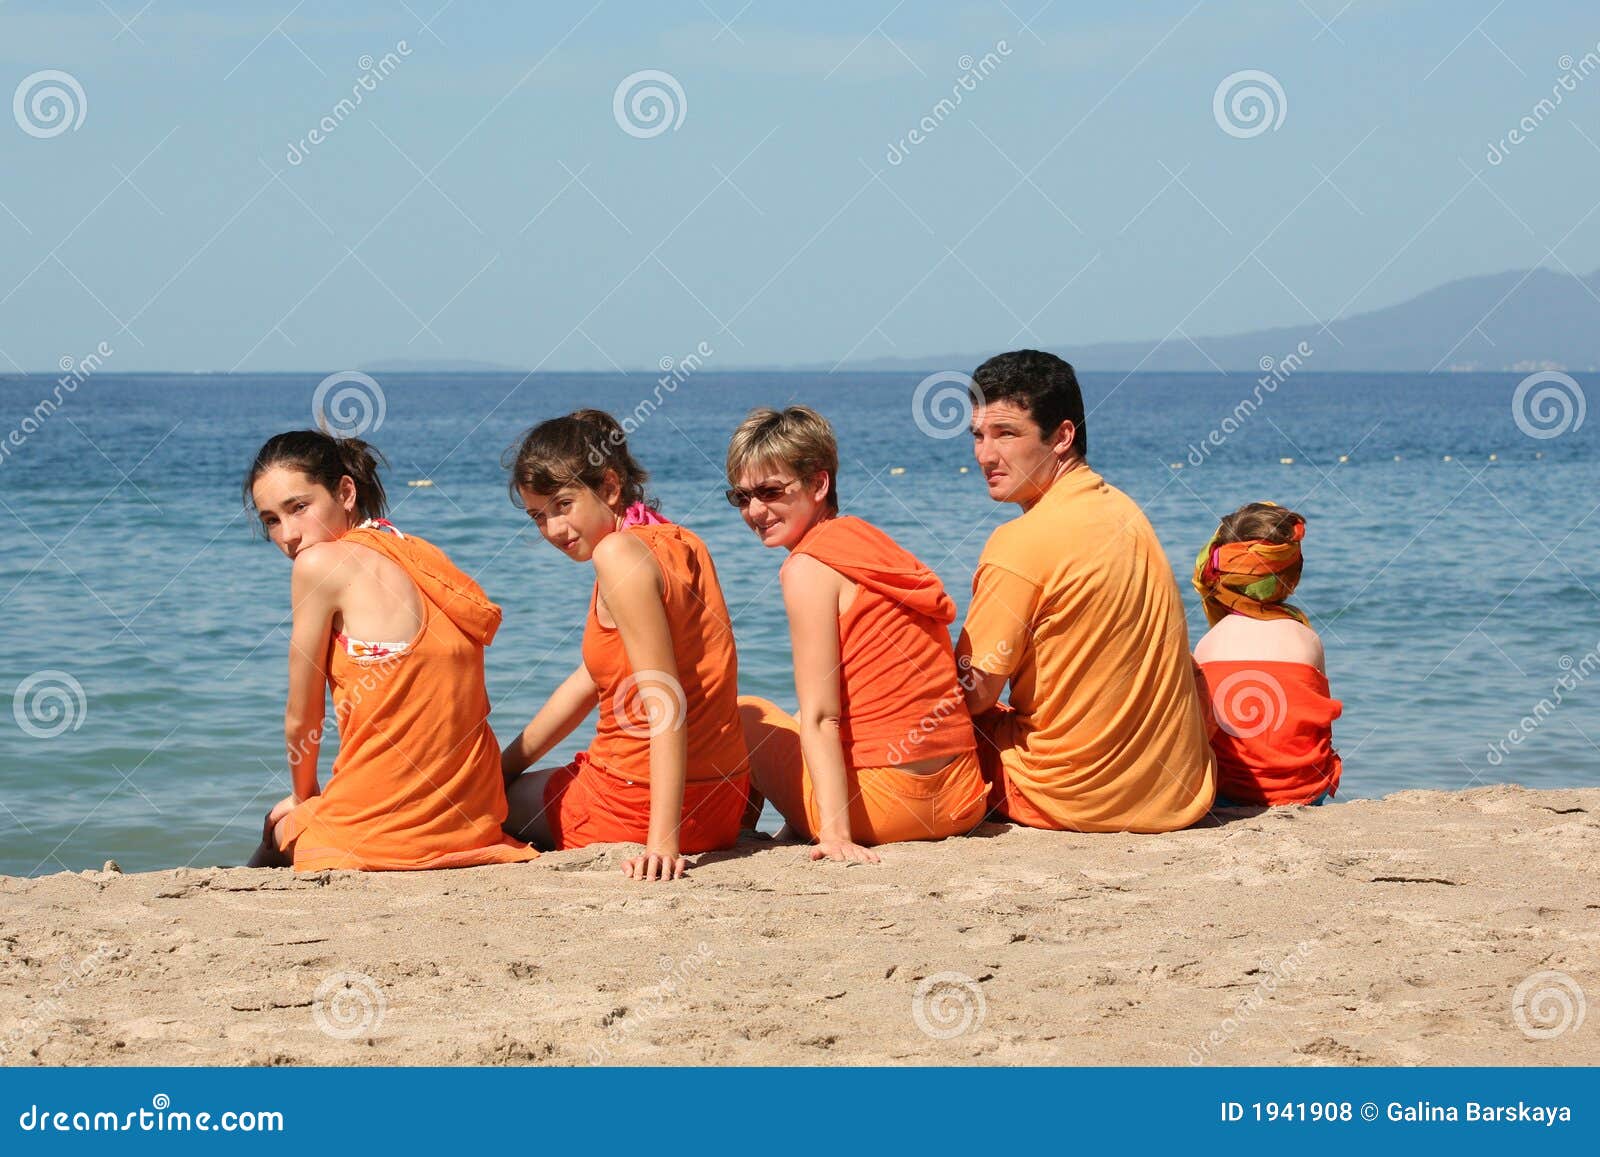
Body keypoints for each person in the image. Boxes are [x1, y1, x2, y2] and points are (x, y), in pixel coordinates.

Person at [243, 430, 538, 872]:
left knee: (277, 826)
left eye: (298, 508)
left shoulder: (317, 564)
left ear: (345, 491)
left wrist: (305, 801)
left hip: (383, 833)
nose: (287, 536)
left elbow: (301, 718)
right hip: (472, 823)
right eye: (271, 520)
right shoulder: (422, 557)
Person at [956, 349, 1216, 832]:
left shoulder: (1018, 543)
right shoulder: (1126, 511)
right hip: (1178, 793)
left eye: (1006, 434)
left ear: (1062, 437)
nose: (984, 455)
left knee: (903, 724)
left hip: (1070, 799)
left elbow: (973, 696)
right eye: (978, 435)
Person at [727, 407, 988, 863]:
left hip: (888, 809)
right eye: (741, 497)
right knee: (802, 714)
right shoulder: (873, 546)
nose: (755, 511)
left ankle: (742, 835)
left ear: (819, 484)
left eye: (771, 492)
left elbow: (823, 718)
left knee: (746, 713)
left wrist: (834, 836)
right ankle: (785, 829)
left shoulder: (807, 568)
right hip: (961, 801)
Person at [499, 410, 750, 882]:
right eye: (538, 516)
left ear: (610, 488)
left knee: (484, 806)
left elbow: (663, 696)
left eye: (563, 504)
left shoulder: (615, 554)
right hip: (722, 803)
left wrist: (662, 842)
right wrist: (502, 765)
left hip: (637, 805)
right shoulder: (683, 540)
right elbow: (592, 677)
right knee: (504, 783)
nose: (553, 529)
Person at [1192, 502, 1342, 806]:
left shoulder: (1208, 645)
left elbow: (1204, 730)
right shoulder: (1306, 639)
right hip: (1303, 791)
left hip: (1227, 792)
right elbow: (1319, 725)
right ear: (1291, 576)